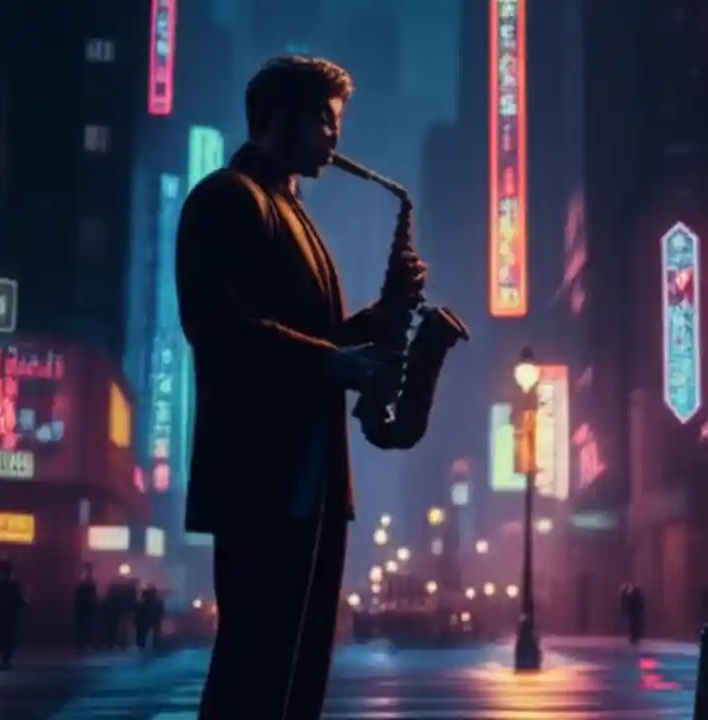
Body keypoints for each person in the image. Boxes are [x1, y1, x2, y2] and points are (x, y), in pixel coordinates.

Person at [176, 55, 426, 720]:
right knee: (254, 669)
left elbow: (310, 336)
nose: (334, 138)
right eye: (324, 120)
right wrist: (344, 365)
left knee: (298, 667)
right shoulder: (227, 198)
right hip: (263, 473)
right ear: (281, 118)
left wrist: (382, 315)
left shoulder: (287, 209)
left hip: (306, 477)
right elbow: (218, 326)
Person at [0, 559, 27, 669]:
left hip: (6, 617)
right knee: (6, 639)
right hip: (7, 617)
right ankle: (5, 660)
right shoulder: (9, 585)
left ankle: (5, 660)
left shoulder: (5, 585)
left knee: (6, 639)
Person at [74, 563, 98, 650]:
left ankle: (82, 642)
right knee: (86, 625)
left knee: (83, 625)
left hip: (83, 607)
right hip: (87, 607)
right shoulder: (90, 583)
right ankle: (85, 642)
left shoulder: (83, 583)